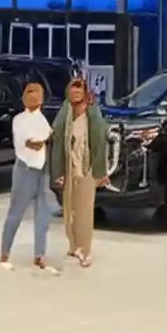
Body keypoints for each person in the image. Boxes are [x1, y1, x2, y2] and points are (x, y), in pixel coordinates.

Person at [49, 77, 110, 268]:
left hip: (87, 168)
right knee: (69, 209)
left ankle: (85, 250)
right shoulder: (65, 111)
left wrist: (101, 172)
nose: (75, 93)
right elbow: (56, 135)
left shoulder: (93, 112)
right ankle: (73, 245)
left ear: (84, 92)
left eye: (79, 90)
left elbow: (100, 142)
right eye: (72, 90)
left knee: (84, 211)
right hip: (69, 166)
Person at [0, 82, 59, 275]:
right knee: (16, 212)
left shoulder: (43, 120)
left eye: (37, 92)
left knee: (42, 214)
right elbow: (30, 144)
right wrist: (47, 139)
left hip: (42, 171)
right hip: (25, 170)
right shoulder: (19, 120)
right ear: (23, 97)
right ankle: (4, 253)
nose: (33, 96)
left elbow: (48, 140)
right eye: (29, 92)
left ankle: (39, 255)